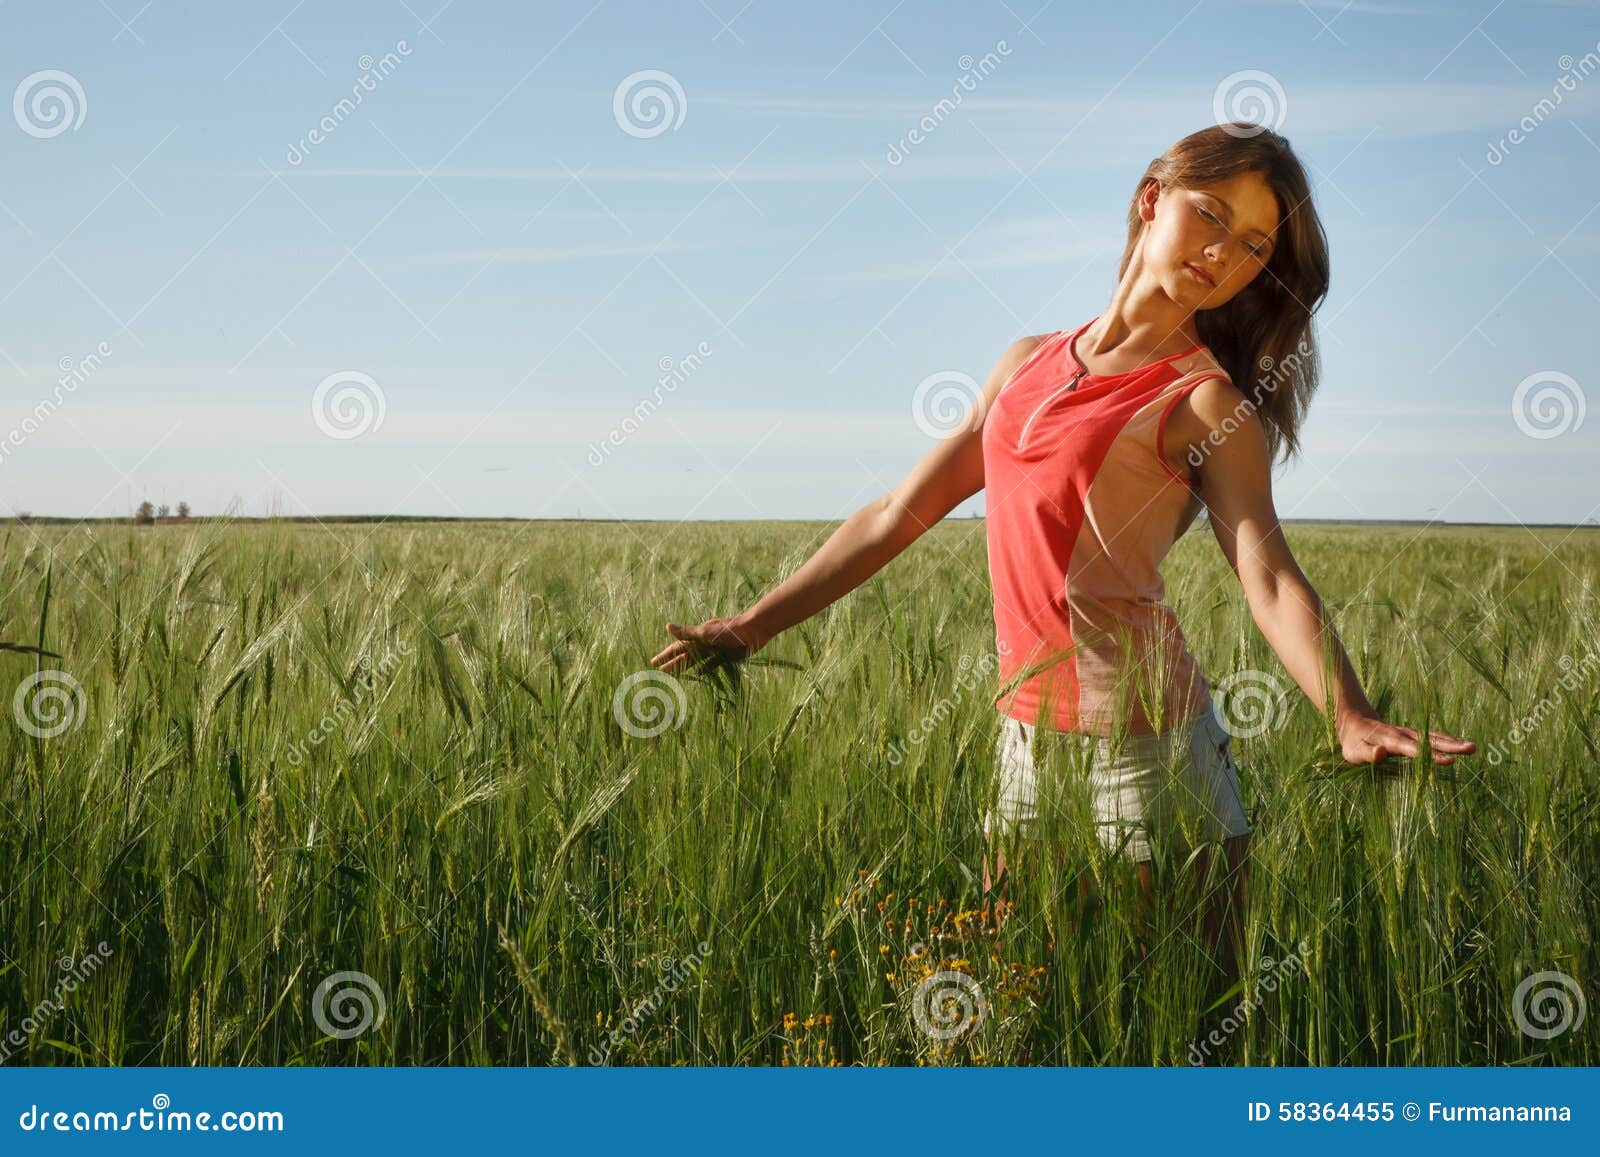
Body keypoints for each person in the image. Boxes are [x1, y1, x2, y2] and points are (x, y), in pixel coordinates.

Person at [649, 121, 1475, 1055]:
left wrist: (1348, 712)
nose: (1223, 254)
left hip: (1152, 752)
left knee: (1188, 1031)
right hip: (1026, 737)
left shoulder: (1206, 404)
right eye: (1210, 216)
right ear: (1150, 197)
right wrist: (754, 626)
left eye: (1251, 246)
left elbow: (1266, 566)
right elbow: (898, 512)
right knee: (1026, 1015)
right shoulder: (1026, 360)